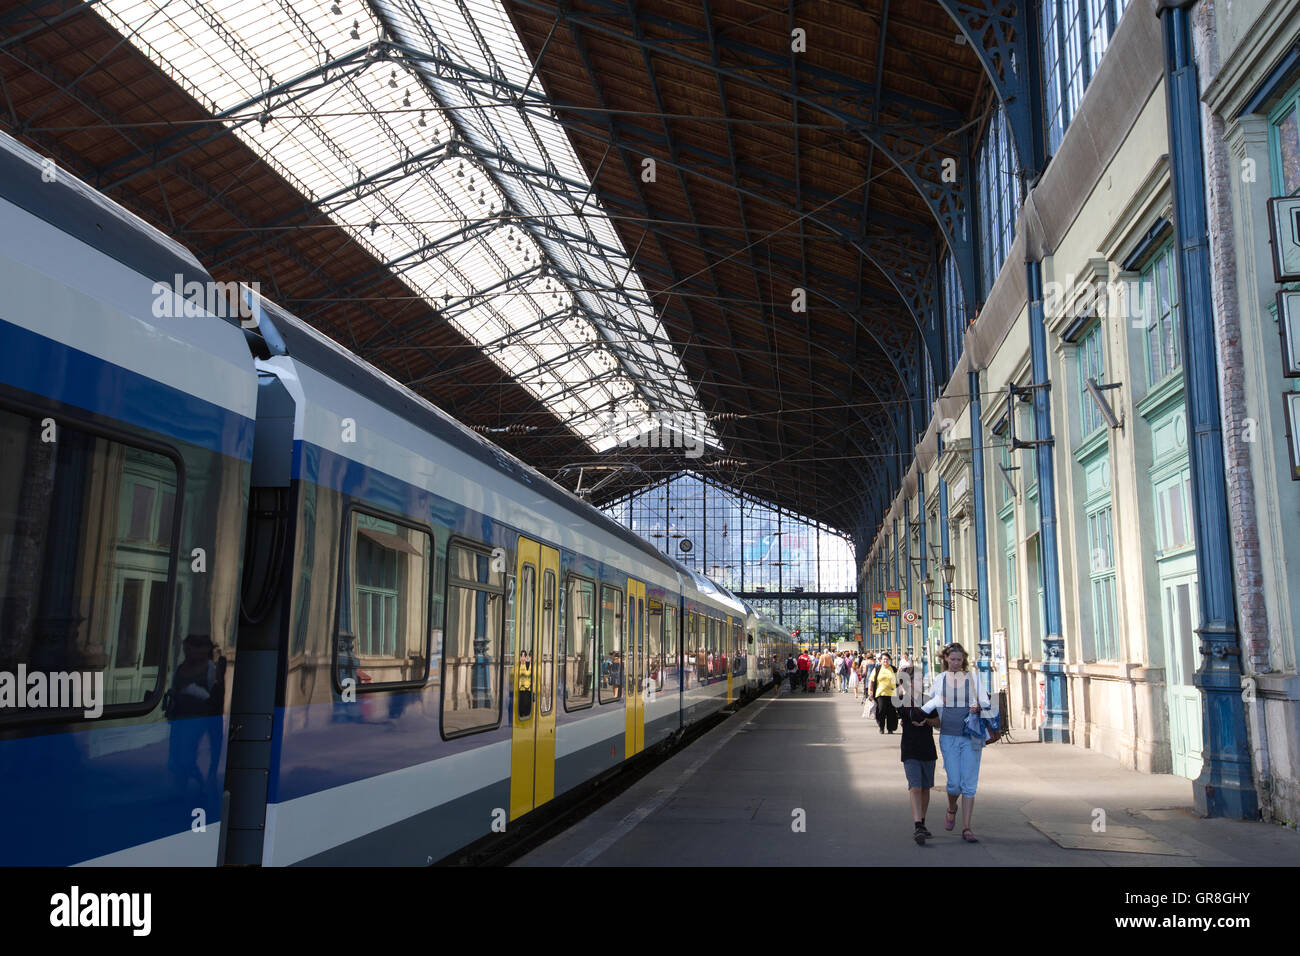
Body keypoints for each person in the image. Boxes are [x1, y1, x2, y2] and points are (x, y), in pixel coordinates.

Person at [920, 642, 991, 844]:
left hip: (971, 737)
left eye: (959, 659)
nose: (956, 663)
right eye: (952, 659)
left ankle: (967, 827)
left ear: (964, 660)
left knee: (969, 784)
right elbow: (931, 706)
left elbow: (987, 704)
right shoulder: (940, 680)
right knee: (953, 784)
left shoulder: (973, 679)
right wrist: (920, 715)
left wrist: (979, 707)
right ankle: (952, 808)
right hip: (949, 736)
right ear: (946, 660)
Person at [895, 664, 940, 844]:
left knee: (926, 787)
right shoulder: (902, 701)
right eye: (917, 680)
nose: (921, 682)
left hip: (927, 748)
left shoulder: (929, 700)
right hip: (910, 748)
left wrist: (927, 721)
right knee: (915, 786)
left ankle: (922, 820)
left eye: (922, 679)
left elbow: (938, 722)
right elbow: (903, 709)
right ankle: (917, 826)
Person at [868, 652, 899, 734]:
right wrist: (870, 690)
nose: (885, 661)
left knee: (891, 712)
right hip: (880, 693)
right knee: (881, 710)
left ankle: (890, 728)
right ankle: (881, 727)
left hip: (892, 694)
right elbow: (871, 680)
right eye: (884, 659)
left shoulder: (894, 669)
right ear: (880, 660)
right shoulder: (877, 669)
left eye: (887, 659)